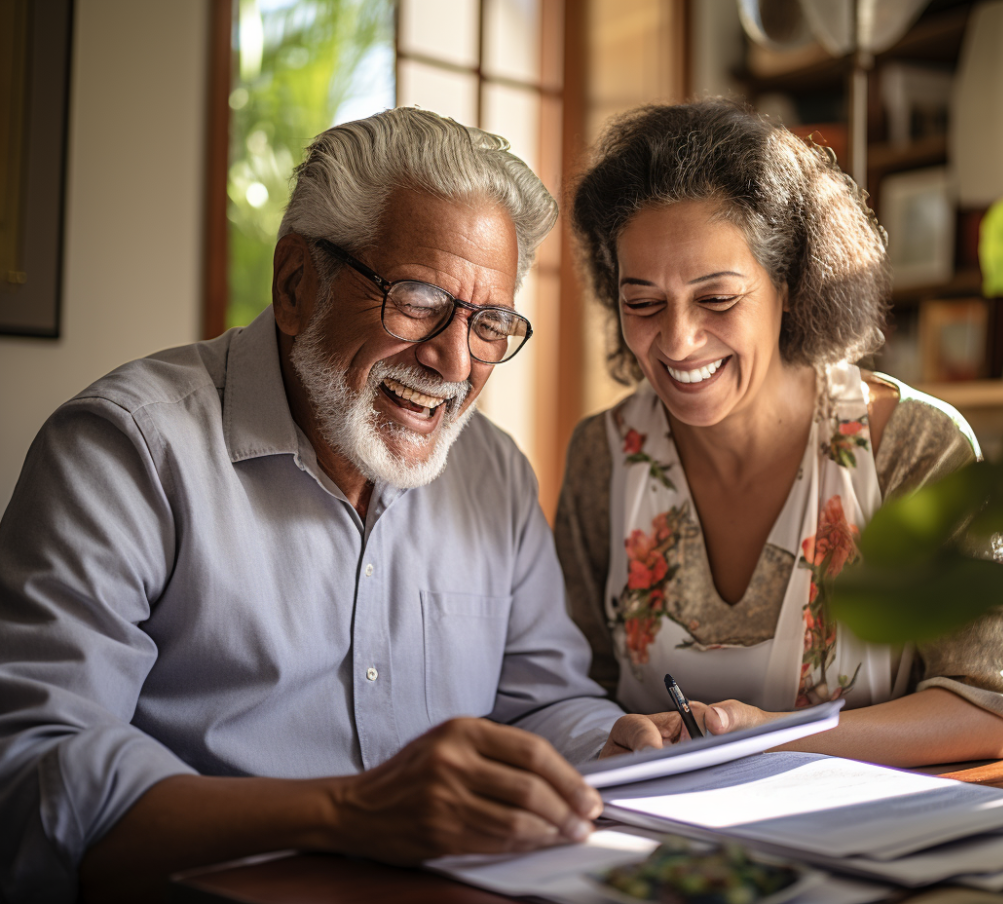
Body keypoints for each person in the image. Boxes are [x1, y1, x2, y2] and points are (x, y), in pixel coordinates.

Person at [0, 108, 638, 903]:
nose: (453, 359)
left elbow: (540, 703)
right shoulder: (126, 450)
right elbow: (33, 778)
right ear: (297, 283)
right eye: (417, 300)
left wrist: (620, 743)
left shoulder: (494, 474)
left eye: (489, 323)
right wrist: (343, 814)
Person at [558, 100, 1003, 766]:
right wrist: (606, 733)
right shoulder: (601, 457)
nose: (678, 340)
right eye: (643, 302)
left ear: (790, 286)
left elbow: (987, 707)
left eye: (716, 299)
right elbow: (573, 689)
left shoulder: (915, 447)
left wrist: (775, 735)